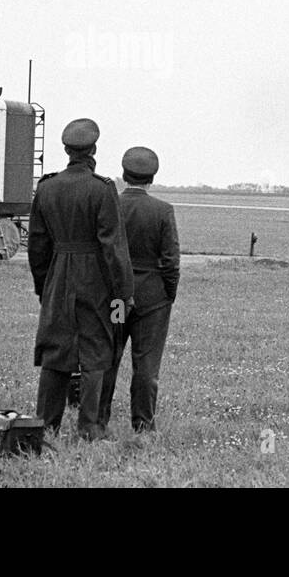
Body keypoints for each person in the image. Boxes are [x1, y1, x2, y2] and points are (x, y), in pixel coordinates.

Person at [29, 118, 134, 440]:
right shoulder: (102, 189)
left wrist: (44, 286)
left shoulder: (46, 187)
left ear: (65, 150)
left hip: (58, 276)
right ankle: (89, 427)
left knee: (55, 351)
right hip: (95, 279)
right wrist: (123, 294)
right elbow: (113, 247)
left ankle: (46, 424)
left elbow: (37, 244)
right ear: (94, 150)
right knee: (95, 351)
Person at [99, 146, 180, 433]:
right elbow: (171, 260)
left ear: (123, 175)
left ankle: (98, 418)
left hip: (117, 297)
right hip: (153, 297)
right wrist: (168, 293)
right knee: (146, 364)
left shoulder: (111, 207)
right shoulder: (162, 211)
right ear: (152, 178)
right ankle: (143, 423)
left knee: (109, 357)